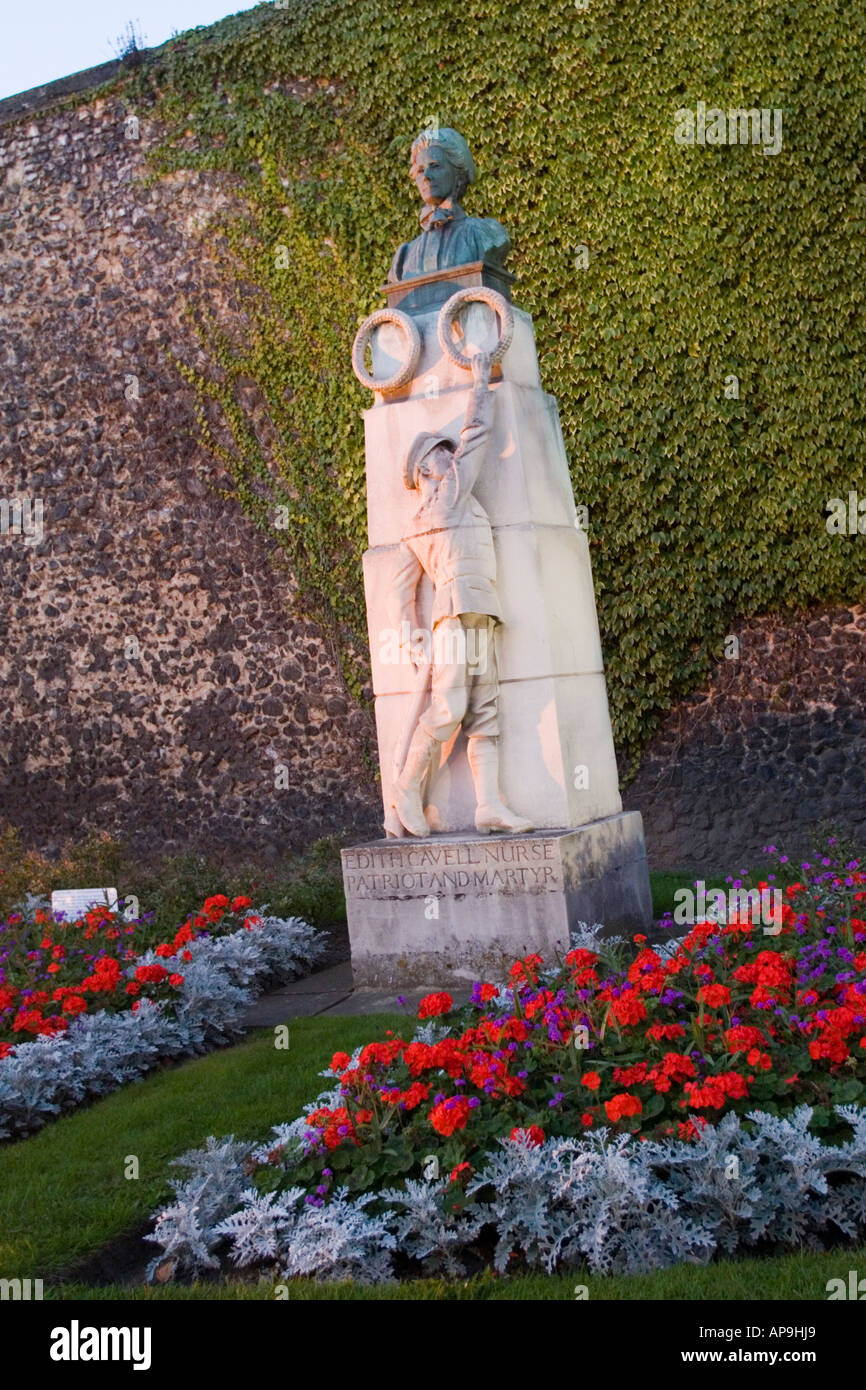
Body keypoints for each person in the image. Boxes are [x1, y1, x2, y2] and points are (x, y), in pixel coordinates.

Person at [388, 350, 533, 837]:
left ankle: (489, 804)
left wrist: (408, 628)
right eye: (441, 453)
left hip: (480, 610)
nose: (451, 455)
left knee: (484, 709)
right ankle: (407, 789)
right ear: (427, 470)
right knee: (449, 707)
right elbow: (477, 433)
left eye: (448, 452)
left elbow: (401, 589)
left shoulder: (439, 510)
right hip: (456, 614)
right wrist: (478, 378)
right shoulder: (447, 497)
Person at [387, 127, 511, 284]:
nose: (425, 176)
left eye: (435, 165)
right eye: (420, 170)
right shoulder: (403, 258)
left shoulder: (486, 235)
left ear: (458, 173)